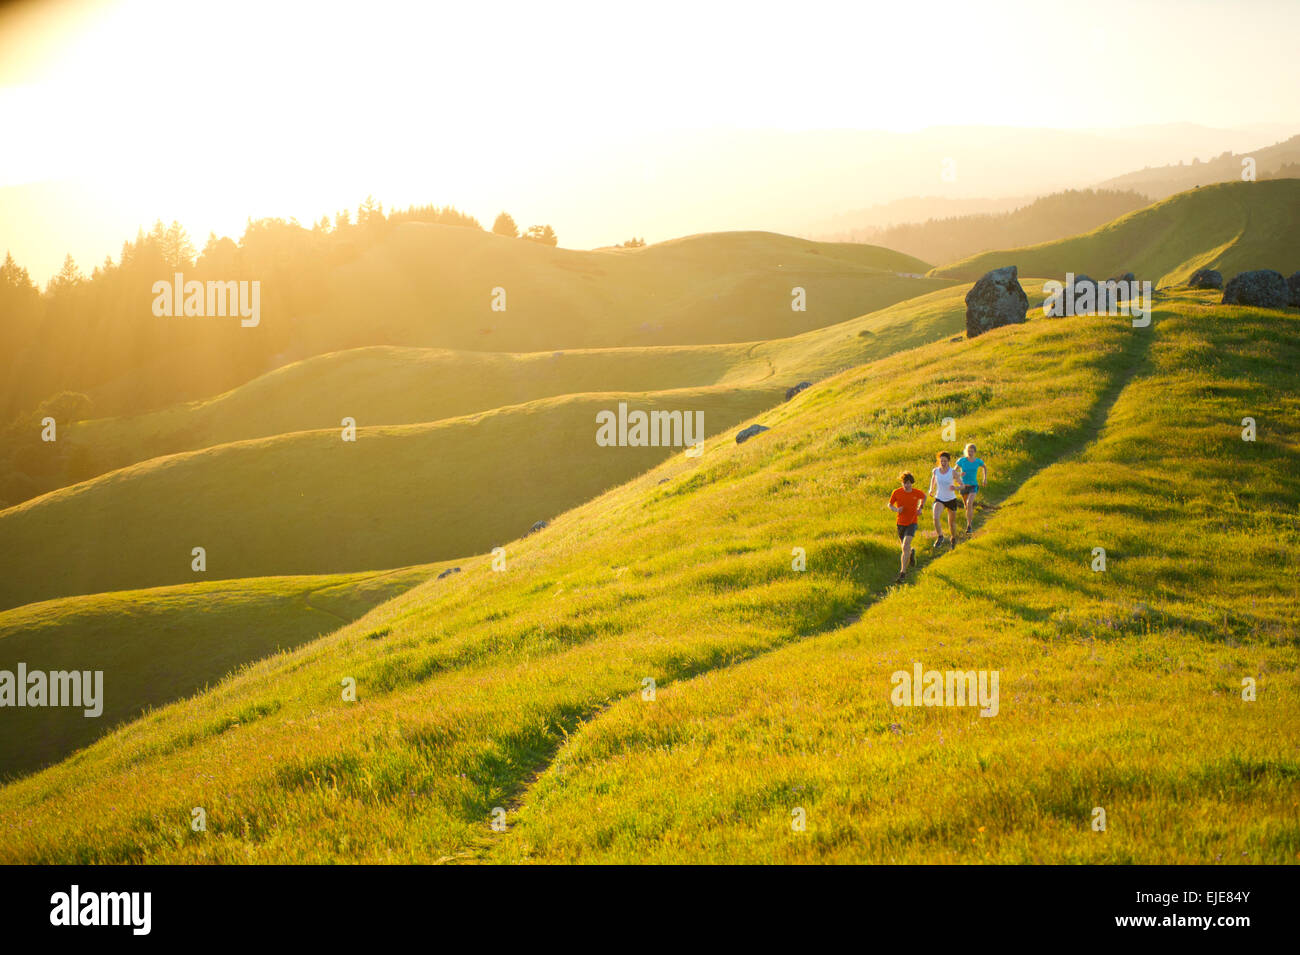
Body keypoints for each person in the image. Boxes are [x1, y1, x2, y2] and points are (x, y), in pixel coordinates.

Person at [887, 471, 926, 582]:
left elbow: (924, 497)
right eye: (904, 483)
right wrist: (896, 509)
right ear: (902, 483)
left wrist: (920, 508)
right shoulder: (896, 492)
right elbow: (890, 504)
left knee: (905, 546)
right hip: (900, 523)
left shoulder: (916, 492)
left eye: (908, 483)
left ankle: (902, 572)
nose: (906, 485)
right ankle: (911, 552)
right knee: (905, 548)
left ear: (911, 483)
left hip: (912, 522)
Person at [928, 450, 961, 549]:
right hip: (939, 498)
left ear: (948, 461)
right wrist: (931, 489)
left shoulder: (953, 472)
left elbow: (962, 485)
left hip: (951, 499)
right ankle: (940, 536)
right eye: (941, 461)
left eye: (945, 461)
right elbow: (933, 479)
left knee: (951, 523)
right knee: (935, 517)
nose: (943, 463)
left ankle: (953, 538)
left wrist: (955, 488)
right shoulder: (935, 470)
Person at [955, 442, 988, 534]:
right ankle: (969, 521)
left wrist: (985, 479)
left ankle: (969, 526)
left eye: (972, 451)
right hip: (963, 486)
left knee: (969, 503)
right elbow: (953, 472)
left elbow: (984, 467)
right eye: (968, 451)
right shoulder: (962, 461)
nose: (970, 453)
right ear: (966, 451)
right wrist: (959, 474)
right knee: (967, 506)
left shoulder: (978, 461)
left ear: (975, 452)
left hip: (974, 485)